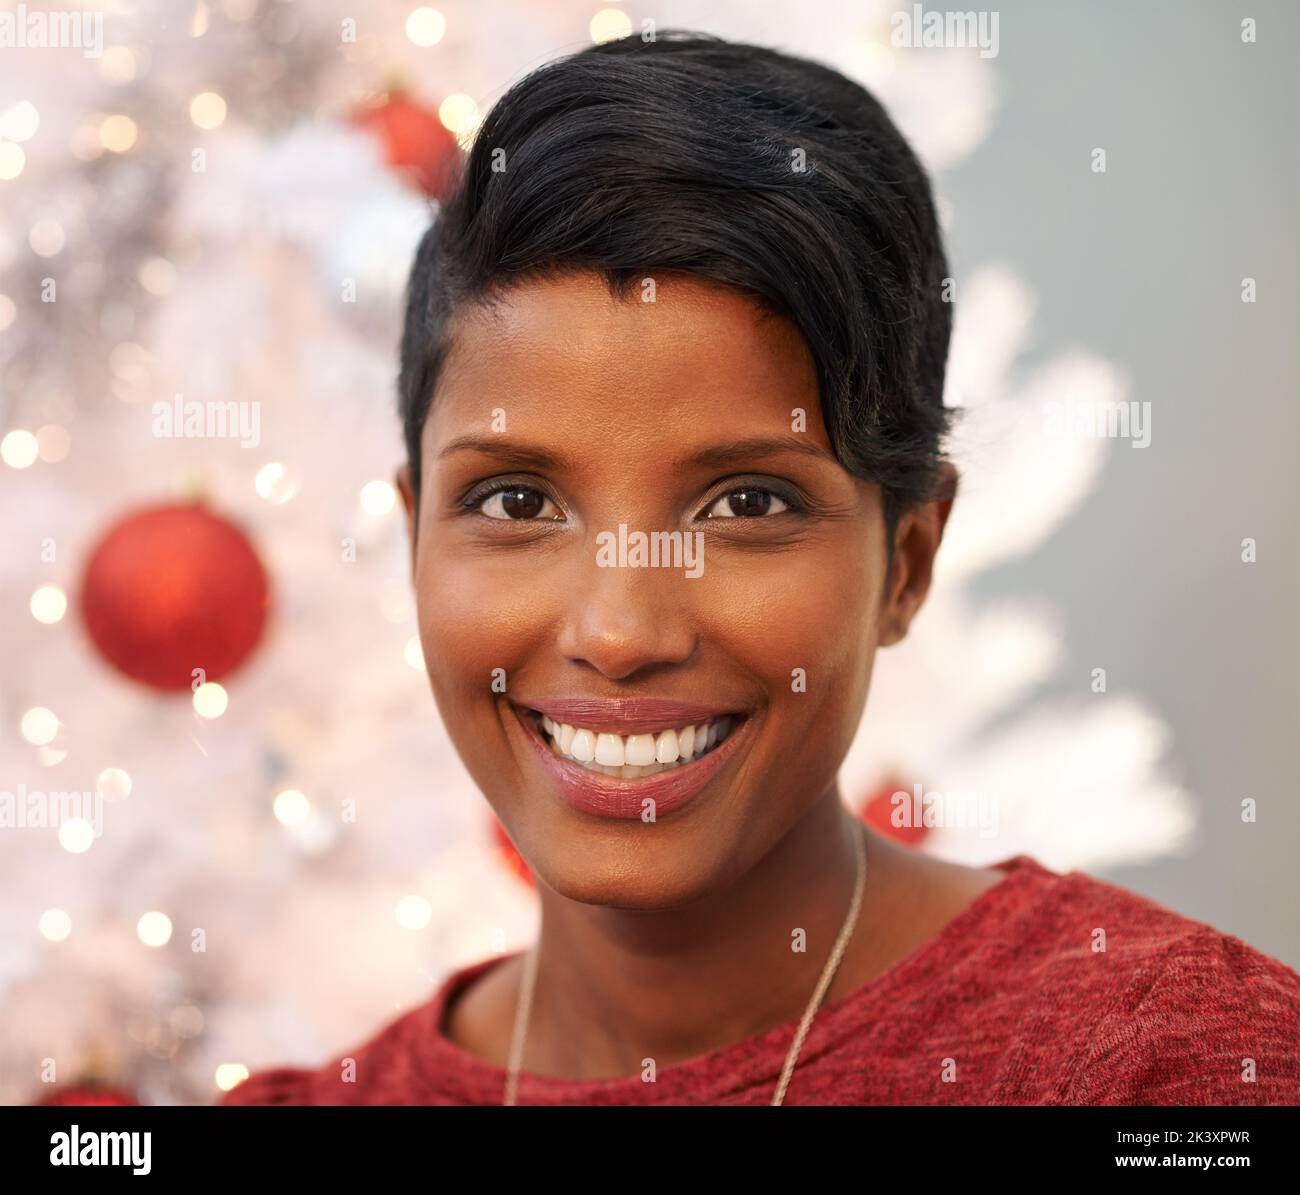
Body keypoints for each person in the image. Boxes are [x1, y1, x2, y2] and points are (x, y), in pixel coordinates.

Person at [222, 30, 1299, 1106]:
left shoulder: (1177, 1070)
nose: (619, 628)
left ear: (906, 563)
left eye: (747, 503)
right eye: (516, 501)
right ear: (416, 539)